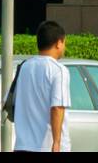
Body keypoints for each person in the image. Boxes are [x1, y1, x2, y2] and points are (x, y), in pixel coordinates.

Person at [13, 20, 70, 152]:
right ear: (58, 43)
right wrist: (57, 143)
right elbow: (57, 107)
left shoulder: (24, 67)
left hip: (22, 145)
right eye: (64, 42)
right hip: (46, 146)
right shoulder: (59, 70)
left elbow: (12, 101)